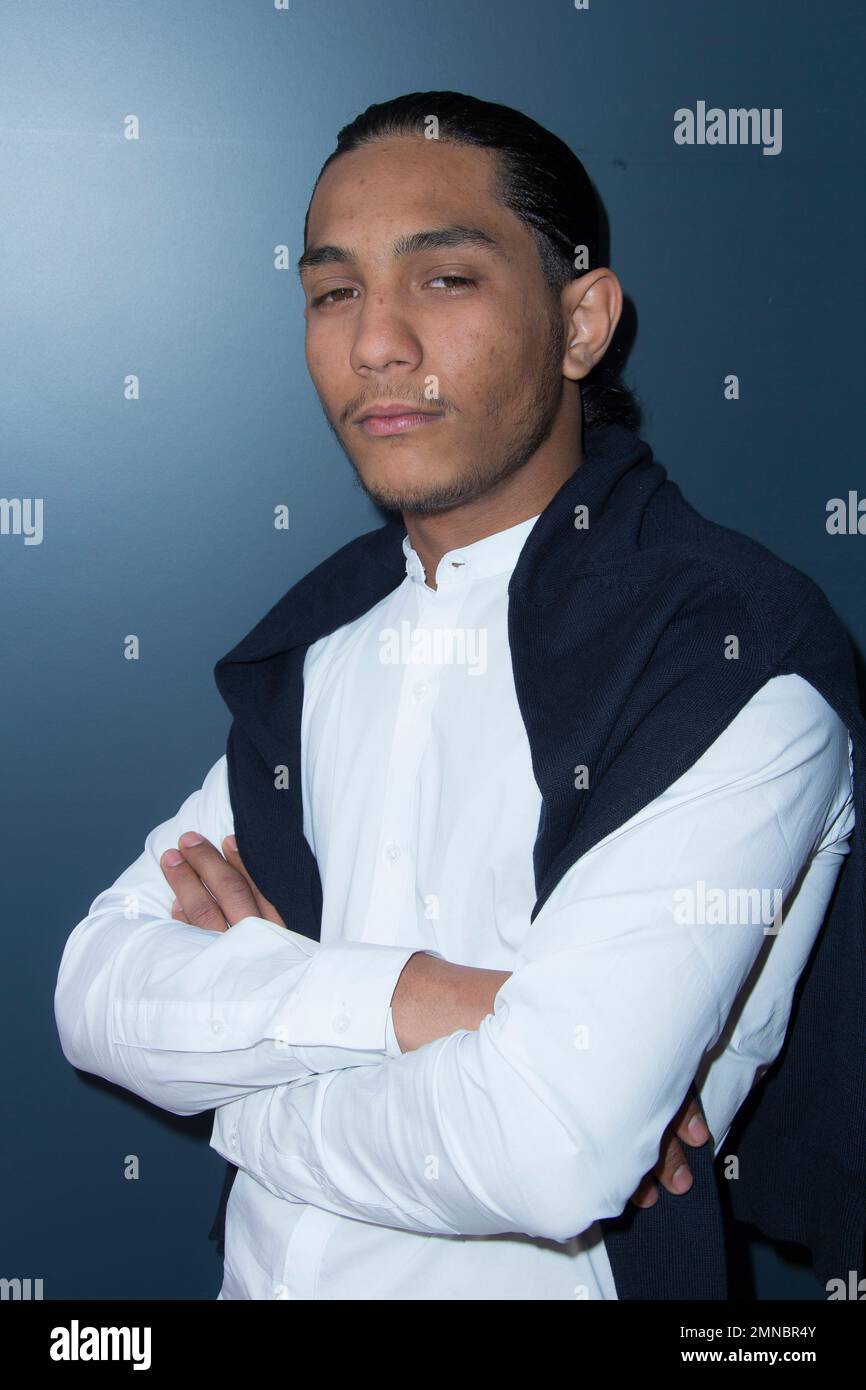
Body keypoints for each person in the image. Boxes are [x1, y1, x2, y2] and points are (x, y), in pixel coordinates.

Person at [55, 91, 860, 1301]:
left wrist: (243, 1088)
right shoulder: (321, 639)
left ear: (580, 322)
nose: (374, 341)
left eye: (441, 279)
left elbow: (548, 1146)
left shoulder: (730, 643)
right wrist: (428, 997)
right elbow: (95, 992)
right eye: (333, 293)